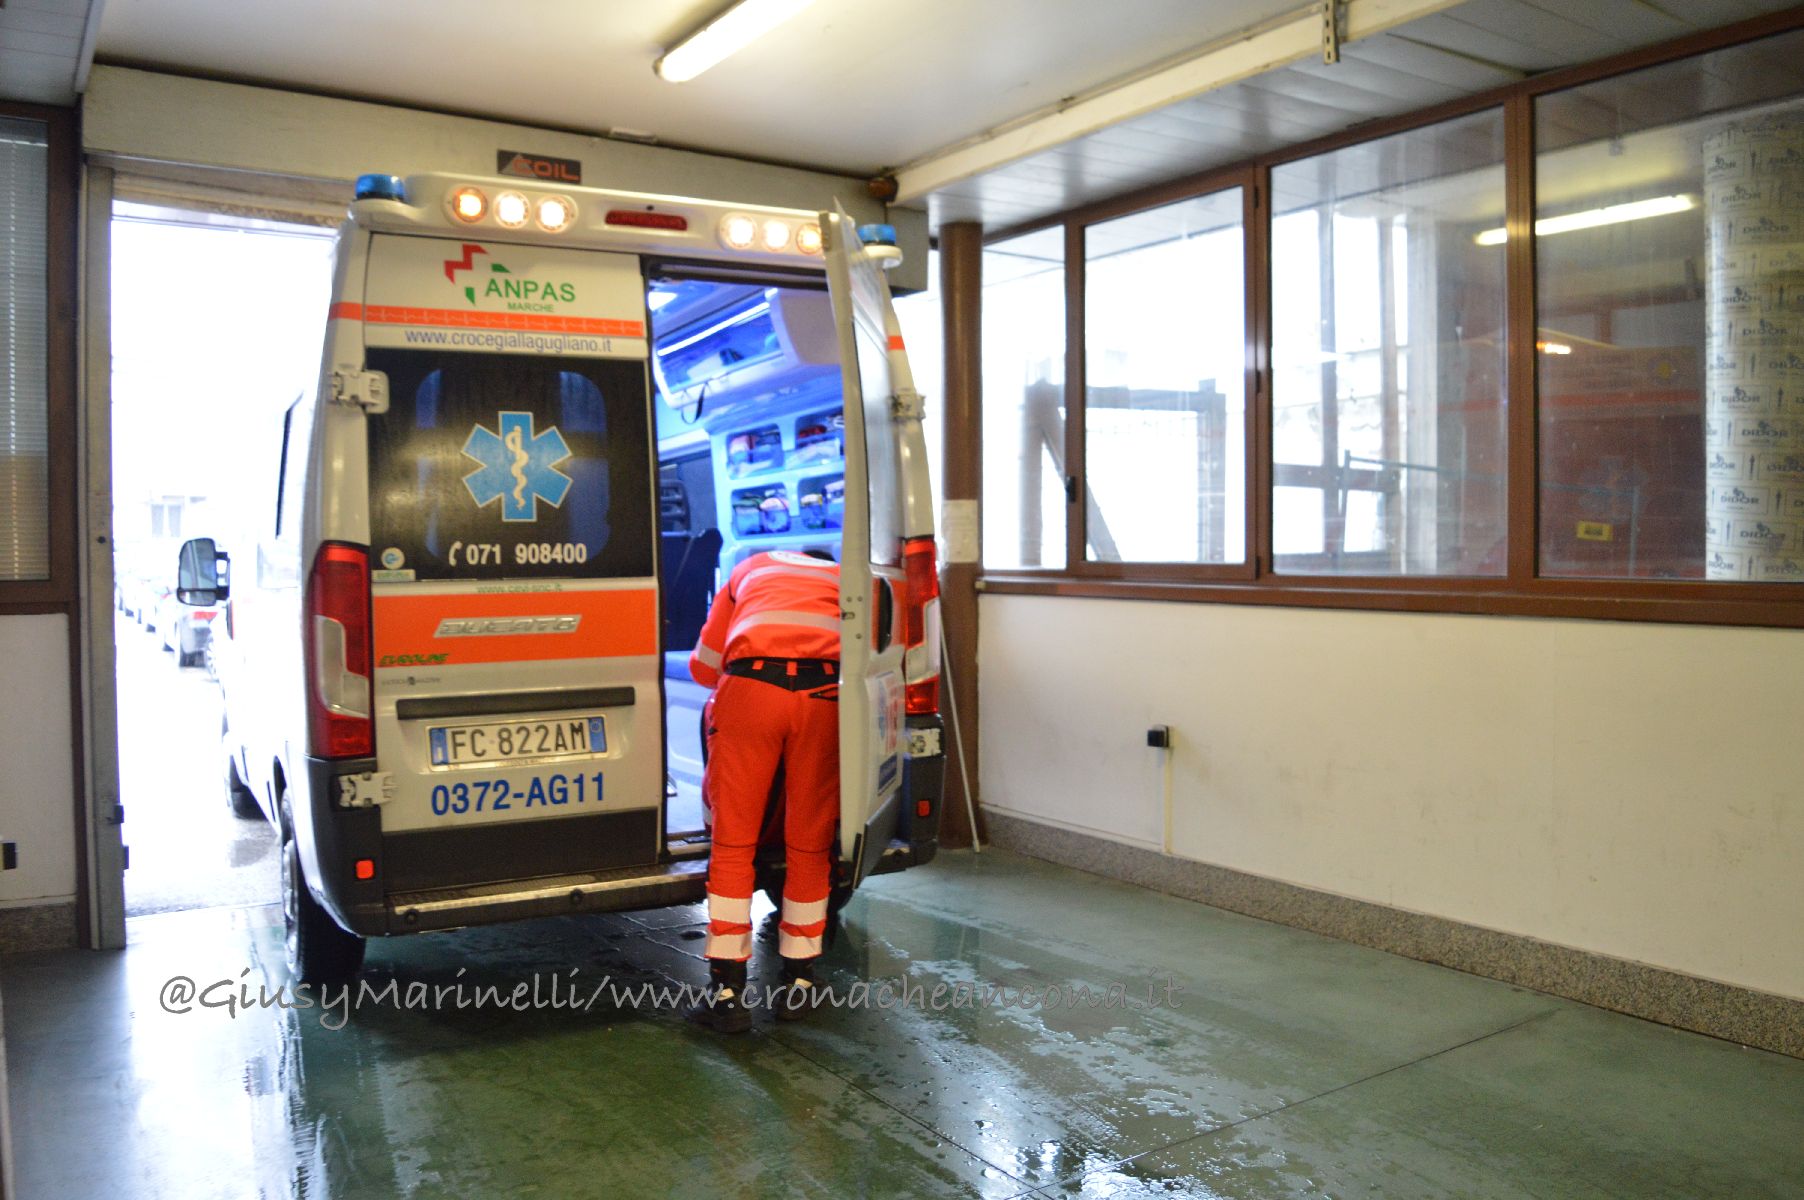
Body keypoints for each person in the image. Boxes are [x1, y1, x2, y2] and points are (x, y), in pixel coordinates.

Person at [686, 547, 842, 1031]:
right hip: (825, 695)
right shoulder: (844, 578)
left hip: (752, 689)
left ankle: (728, 993)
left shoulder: (747, 569)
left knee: (734, 841)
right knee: (810, 841)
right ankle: (799, 983)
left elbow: (704, 668)